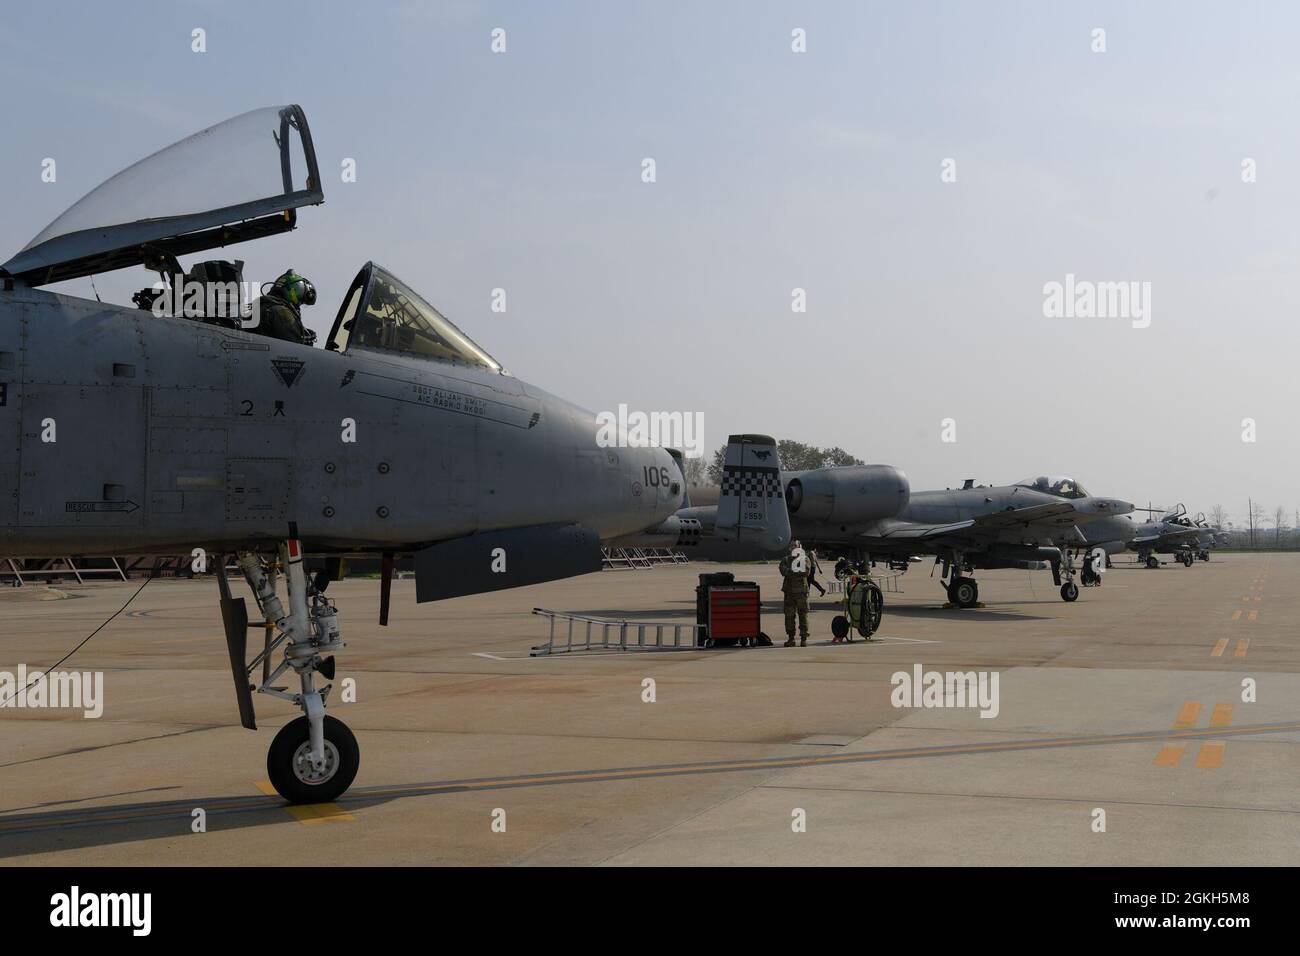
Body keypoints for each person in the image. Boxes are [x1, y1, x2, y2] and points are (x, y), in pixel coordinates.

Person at [251, 269, 317, 345]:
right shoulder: (282, 312)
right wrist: (307, 341)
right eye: (301, 302)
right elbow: (295, 347)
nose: (299, 307)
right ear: (294, 292)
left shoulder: (258, 307)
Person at [779, 540, 812, 647]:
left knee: (803, 615)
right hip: (789, 592)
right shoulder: (785, 559)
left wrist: (790, 571)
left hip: (801, 592)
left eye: (795, 545)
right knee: (789, 616)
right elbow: (783, 571)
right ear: (790, 548)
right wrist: (796, 571)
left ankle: (803, 638)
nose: (793, 547)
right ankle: (791, 638)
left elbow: (805, 572)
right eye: (792, 546)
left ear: (800, 547)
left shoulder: (805, 559)